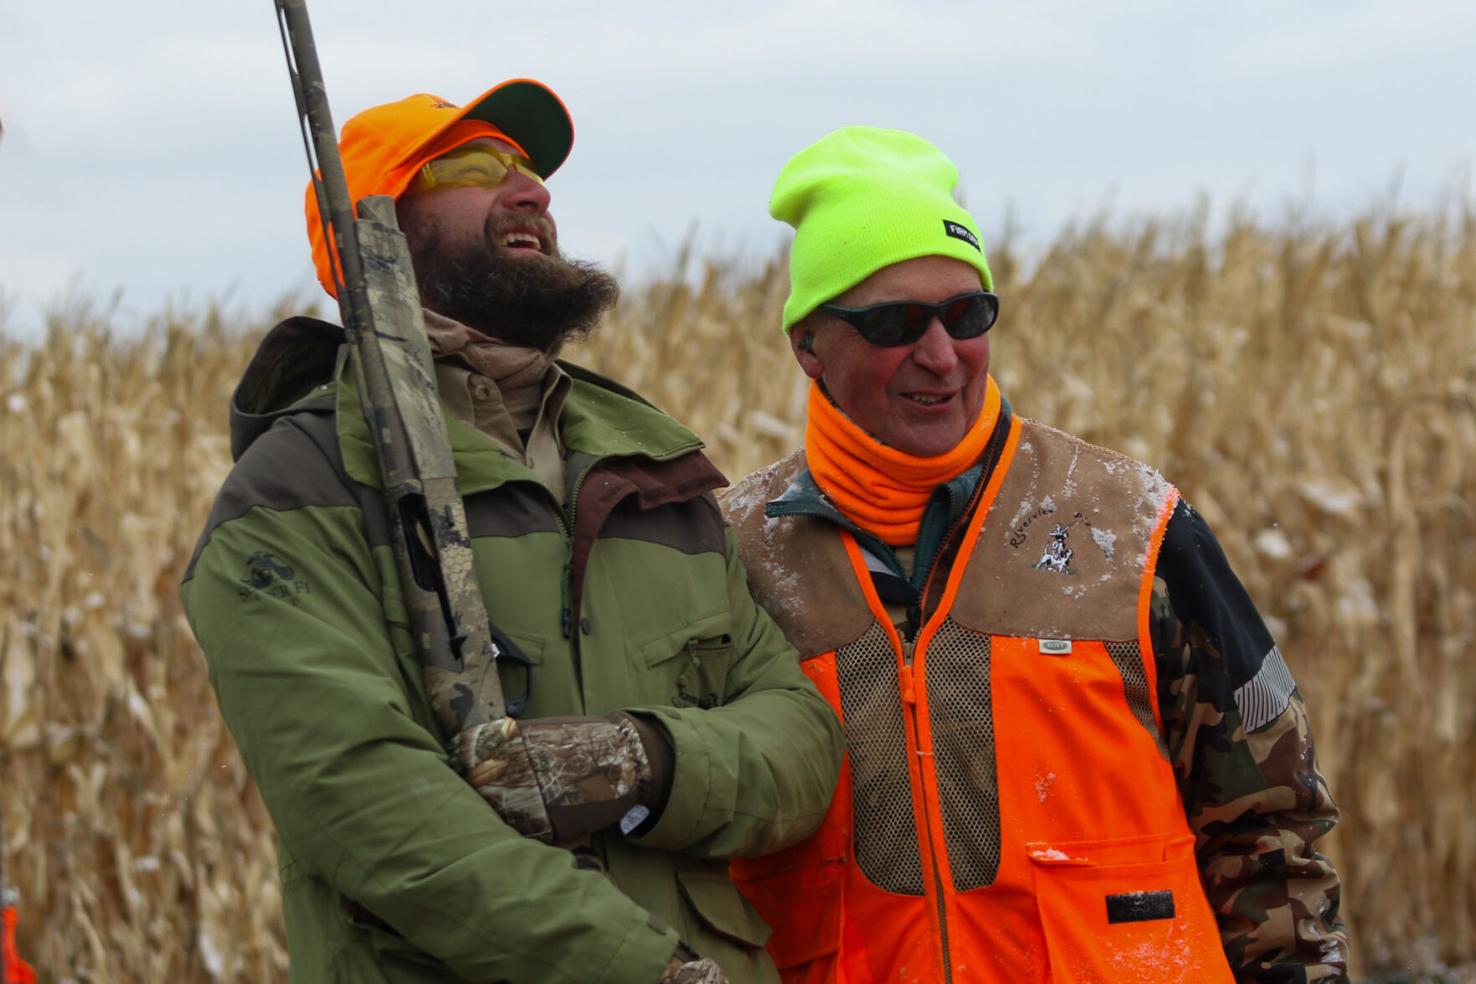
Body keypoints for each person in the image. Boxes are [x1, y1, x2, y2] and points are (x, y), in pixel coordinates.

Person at [180, 80, 843, 984]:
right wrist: (645, 971)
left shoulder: (651, 474)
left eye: (529, 172)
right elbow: (365, 807)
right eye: (473, 167)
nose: (532, 192)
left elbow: (801, 744)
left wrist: (644, 761)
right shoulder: (299, 493)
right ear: (372, 233)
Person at [723, 126, 1348, 983]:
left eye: (966, 314)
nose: (941, 355)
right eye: (897, 323)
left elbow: (1272, 826)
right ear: (808, 346)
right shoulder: (732, 558)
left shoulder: (1130, 526)